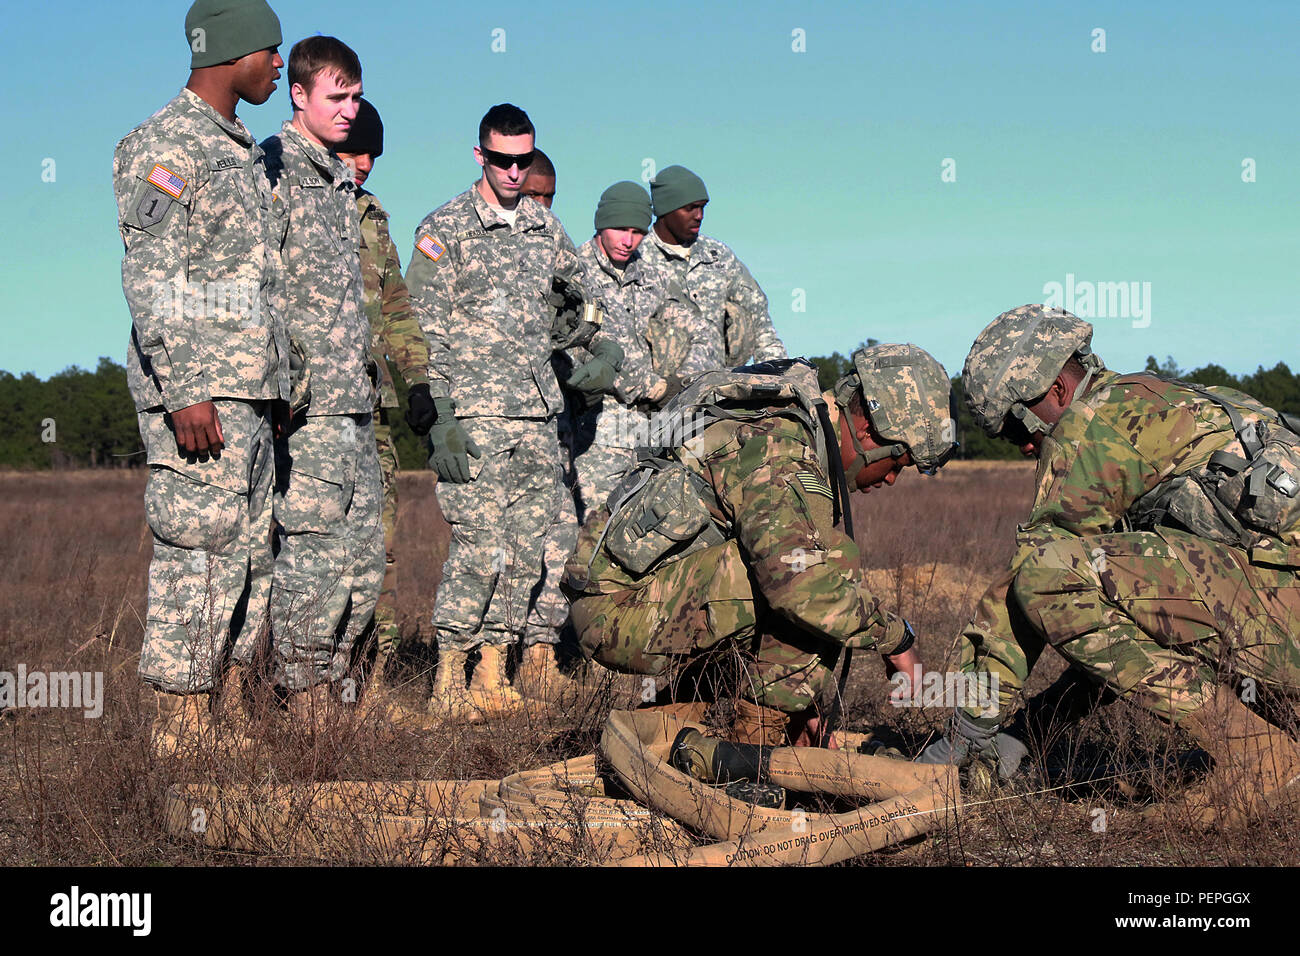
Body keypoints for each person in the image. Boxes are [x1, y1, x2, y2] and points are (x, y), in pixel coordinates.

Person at [920, 304, 1300, 828]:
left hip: (1284, 620)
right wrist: (1033, 732)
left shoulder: (1089, 430)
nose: (1025, 443)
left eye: (1016, 424)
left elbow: (1035, 583)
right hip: (1280, 612)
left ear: (1056, 390)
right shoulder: (1170, 401)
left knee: (1049, 574)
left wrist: (967, 731)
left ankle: (1258, 752)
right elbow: (1118, 627)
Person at [563, 345, 957, 746]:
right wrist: (894, 638)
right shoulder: (779, 447)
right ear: (870, 431)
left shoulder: (787, 427)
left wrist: (800, 704)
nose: (891, 480)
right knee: (826, 567)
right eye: (898, 463)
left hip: (631, 600)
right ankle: (750, 759)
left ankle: (663, 722)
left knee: (796, 569)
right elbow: (798, 587)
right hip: (617, 613)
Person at [405, 103, 621, 720]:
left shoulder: (545, 230)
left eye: (523, 159)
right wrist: (438, 413)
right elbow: (420, 328)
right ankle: (449, 677)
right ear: (480, 155)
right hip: (471, 418)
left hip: (538, 416)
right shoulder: (445, 228)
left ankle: (494, 675)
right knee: (479, 547)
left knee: (525, 551)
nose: (513, 171)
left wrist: (599, 345)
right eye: (501, 160)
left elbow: (579, 302)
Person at [114, 0, 287, 754]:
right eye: (270, 52)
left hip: (250, 390)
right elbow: (150, 273)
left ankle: (221, 706)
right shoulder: (165, 143)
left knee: (249, 553)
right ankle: (178, 724)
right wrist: (184, 386)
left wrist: (277, 385)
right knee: (199, 550)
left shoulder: (242, 148)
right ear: (235, 52)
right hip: (200, 391)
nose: (279, 66)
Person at [262, 36, 385, 719]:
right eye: (335, 96)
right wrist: (285, 384)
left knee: (363, 562)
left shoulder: (340, 182)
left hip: (353, 406)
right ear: (299, 95)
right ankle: (303, 698)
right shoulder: (270, 172)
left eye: (355, 95)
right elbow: (256, 287)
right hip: (306, 410)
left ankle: (338, 689)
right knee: (312, 553)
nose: (349, 108)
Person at [335, 98, 436, 688]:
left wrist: (417, 378)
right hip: (306, 408)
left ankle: (372, 676)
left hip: (371, 409)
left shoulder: (373, 217)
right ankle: (304, 675)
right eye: (354, 152)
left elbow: (396, 305)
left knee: (383, 543)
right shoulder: (279, 194)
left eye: (372, 154)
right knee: (311, 547)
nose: (364, 164)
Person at [638, 165, 786, 369]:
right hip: (661, 391)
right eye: (690, 208)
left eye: (702, 207)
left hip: (717, 384)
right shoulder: (637, 258)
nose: (699, 215)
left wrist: (776, 373)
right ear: (666, 209)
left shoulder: (718, 255)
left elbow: (759, 316)